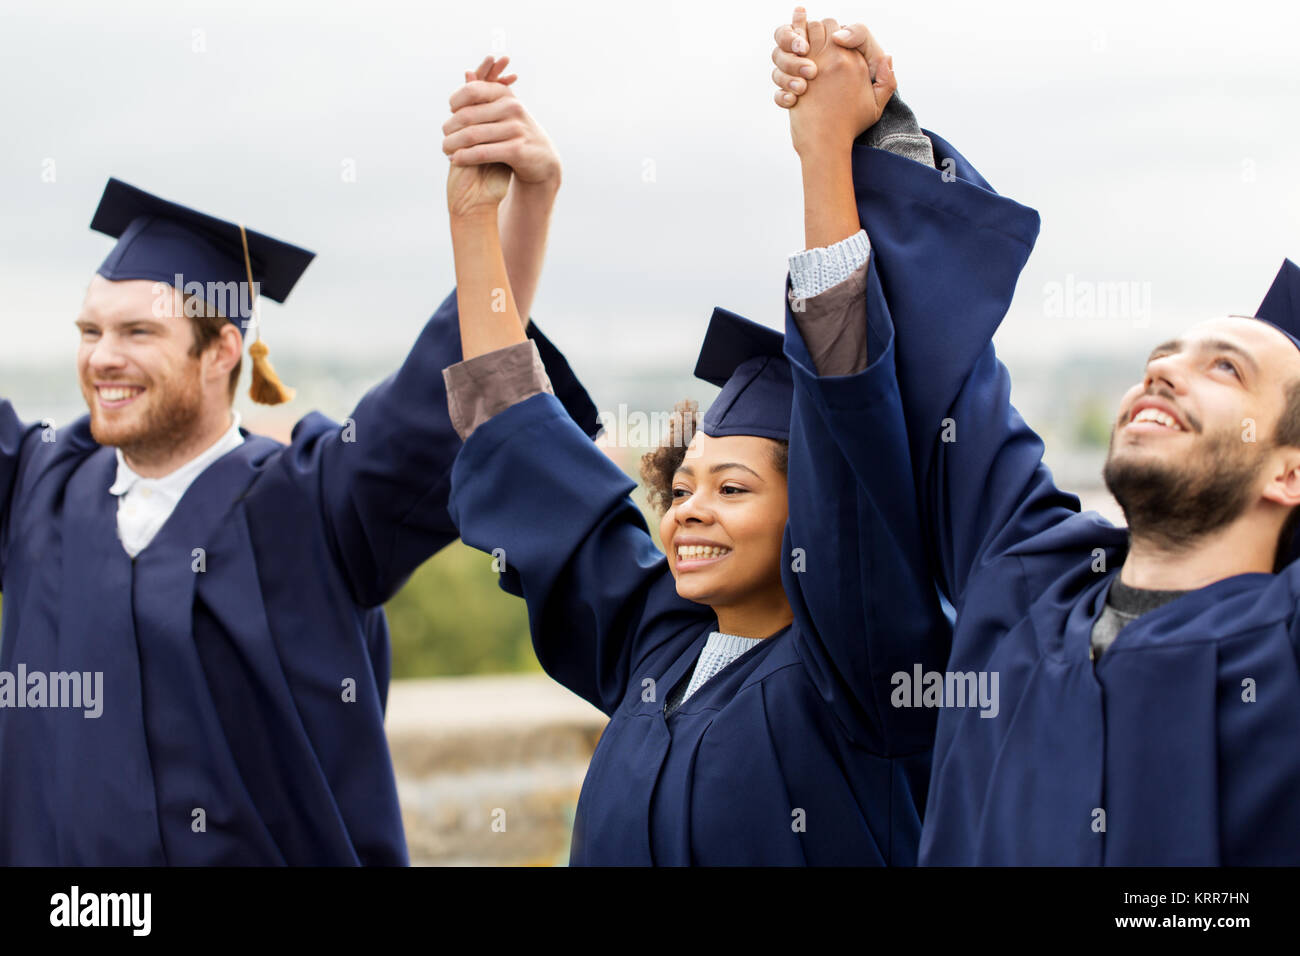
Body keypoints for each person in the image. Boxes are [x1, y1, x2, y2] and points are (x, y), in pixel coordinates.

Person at [0, 58, 598, 865]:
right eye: (90, 332)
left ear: (223, 352)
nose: (103, 356)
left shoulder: (309, 506)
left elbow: (458, 381)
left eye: (138, 333)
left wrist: (520, 209)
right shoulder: (38, 489)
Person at [771, 13, 1300, 863]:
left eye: (1226, 369)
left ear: (1290, 473)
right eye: (1163, 356)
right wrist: (851, 143)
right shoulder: (1025, 586)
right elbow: (943, 369)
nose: (1163, 372)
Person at [436, 32, 951, 865]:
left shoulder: (863, 677)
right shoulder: (660, 645)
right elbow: (520, 440)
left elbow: (852, 415)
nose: (691, 512)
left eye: (734, 490)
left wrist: (825, 153)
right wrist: (474, 220)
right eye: (681, 490)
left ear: (812, 515)